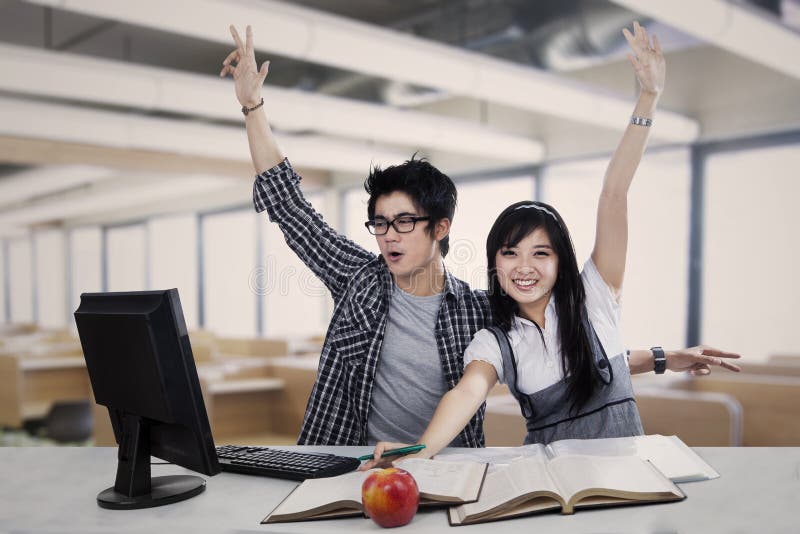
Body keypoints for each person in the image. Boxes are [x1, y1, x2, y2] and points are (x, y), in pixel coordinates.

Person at [221, 23, 740, 447]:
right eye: (379, 223)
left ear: (441, 227)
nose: (388, 236)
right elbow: (289, 206)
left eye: (404, 222)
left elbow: (566, 353)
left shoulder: (480, 313)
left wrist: (661, 357)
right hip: (342, 456)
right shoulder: (358, 280)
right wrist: (252, 108)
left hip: (448, 472)